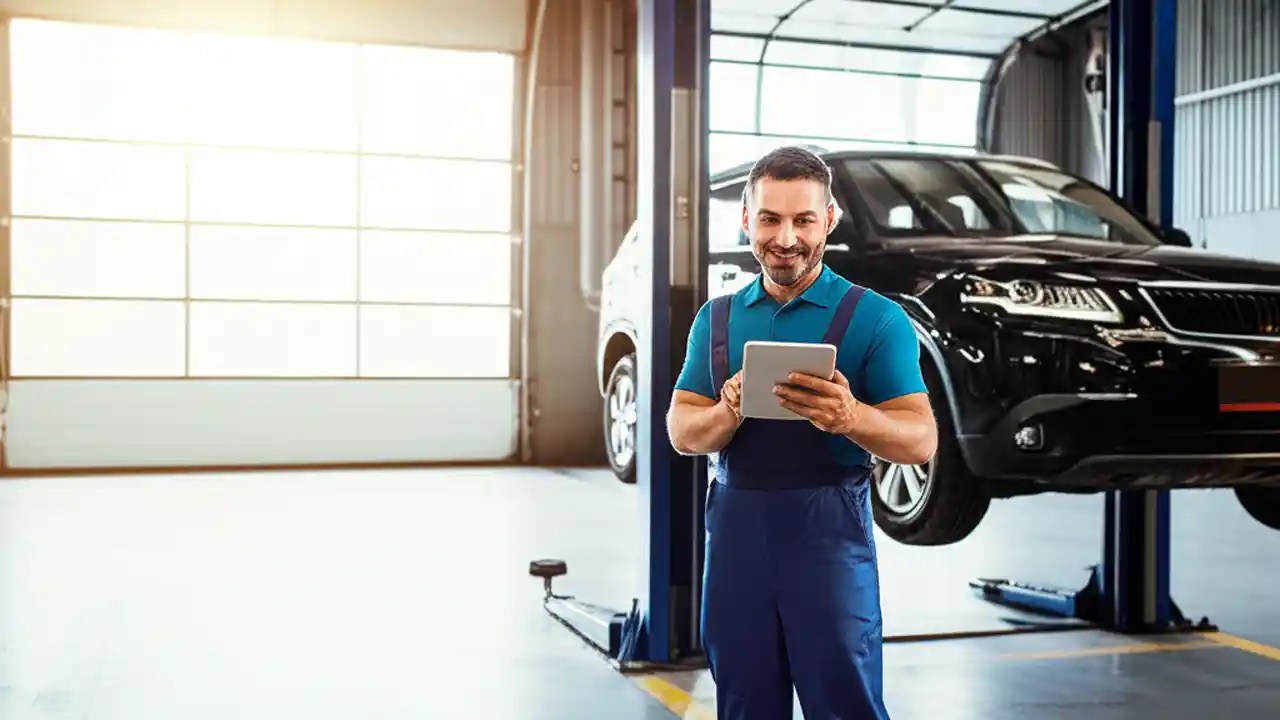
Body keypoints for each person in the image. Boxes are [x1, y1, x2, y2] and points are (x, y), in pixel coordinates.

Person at [666, 146, 938, 720]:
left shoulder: (876, 319)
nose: (785, 238)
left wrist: (851, 417)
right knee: (743, 698)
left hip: (828, 538)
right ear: (746, 219)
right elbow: (682, 430)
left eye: (803, 220)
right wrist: (728, 411)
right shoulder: (715, 320)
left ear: (829, 219)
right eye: (769, 219)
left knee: (844, 700)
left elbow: (920, 440)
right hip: (738, 537)